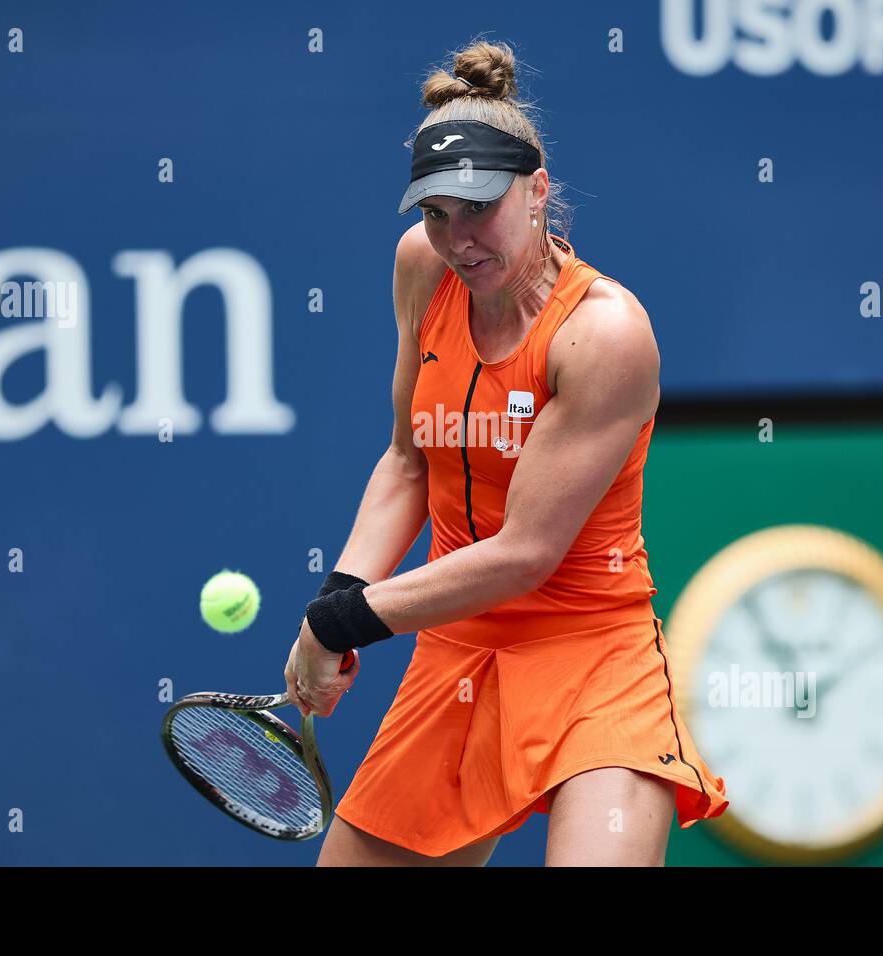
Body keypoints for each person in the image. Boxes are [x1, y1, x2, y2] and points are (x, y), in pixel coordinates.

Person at [285, 39, 727, 866]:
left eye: (479, 208)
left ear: (538, 191)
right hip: (454, 647)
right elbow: (407, 461)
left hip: (591, 653)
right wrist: (338, 593)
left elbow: (523, 554)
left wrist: (336, 624)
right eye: (436, 212)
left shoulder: (605, 334)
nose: (459, 239)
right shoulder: (423, 270)